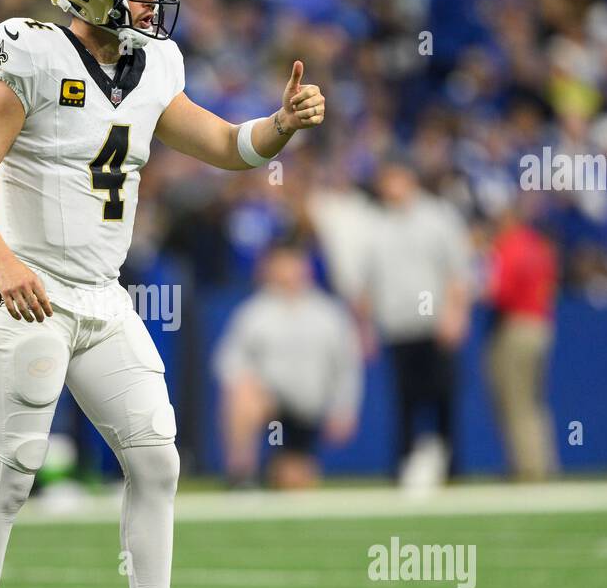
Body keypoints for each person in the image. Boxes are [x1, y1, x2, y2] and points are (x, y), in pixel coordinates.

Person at [0, 0, 325, 588]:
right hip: (30, 289)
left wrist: (279, 128)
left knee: (156, 460)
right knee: (10, 476)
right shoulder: (32, 54)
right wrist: (2, 262)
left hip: (101, 295)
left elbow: (224, 146)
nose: (151, 0)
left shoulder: (154, 66)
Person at [357, 159, 472, 482]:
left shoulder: (437, 217)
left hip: (434, 325)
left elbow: (458, 271)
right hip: (397, 327)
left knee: (443, 399)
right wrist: (365, 328)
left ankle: (451, 470)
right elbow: (367, 282)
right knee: (404, 402)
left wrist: (455, 315)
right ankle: (404, 468)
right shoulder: (375, 224)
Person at [214, 242, 361, 488]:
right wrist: (251, 385)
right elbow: (229, 363)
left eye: (293, 264)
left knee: (293, 484)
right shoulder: (254, 312)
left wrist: (344, 408)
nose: (287, 272)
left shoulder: (328, 314)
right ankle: (241, 476)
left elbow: (346, 364)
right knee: (242, 395)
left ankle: (283, 467)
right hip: (273, 409)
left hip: (309, 409)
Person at [484, 195, 559, 480]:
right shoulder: (538, 246)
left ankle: (527, 469)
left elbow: (499, 292)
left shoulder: (509, 247)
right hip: (541, 326)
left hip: (516, 327)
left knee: (516, 402)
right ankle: (542, 464)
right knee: (534, 402)